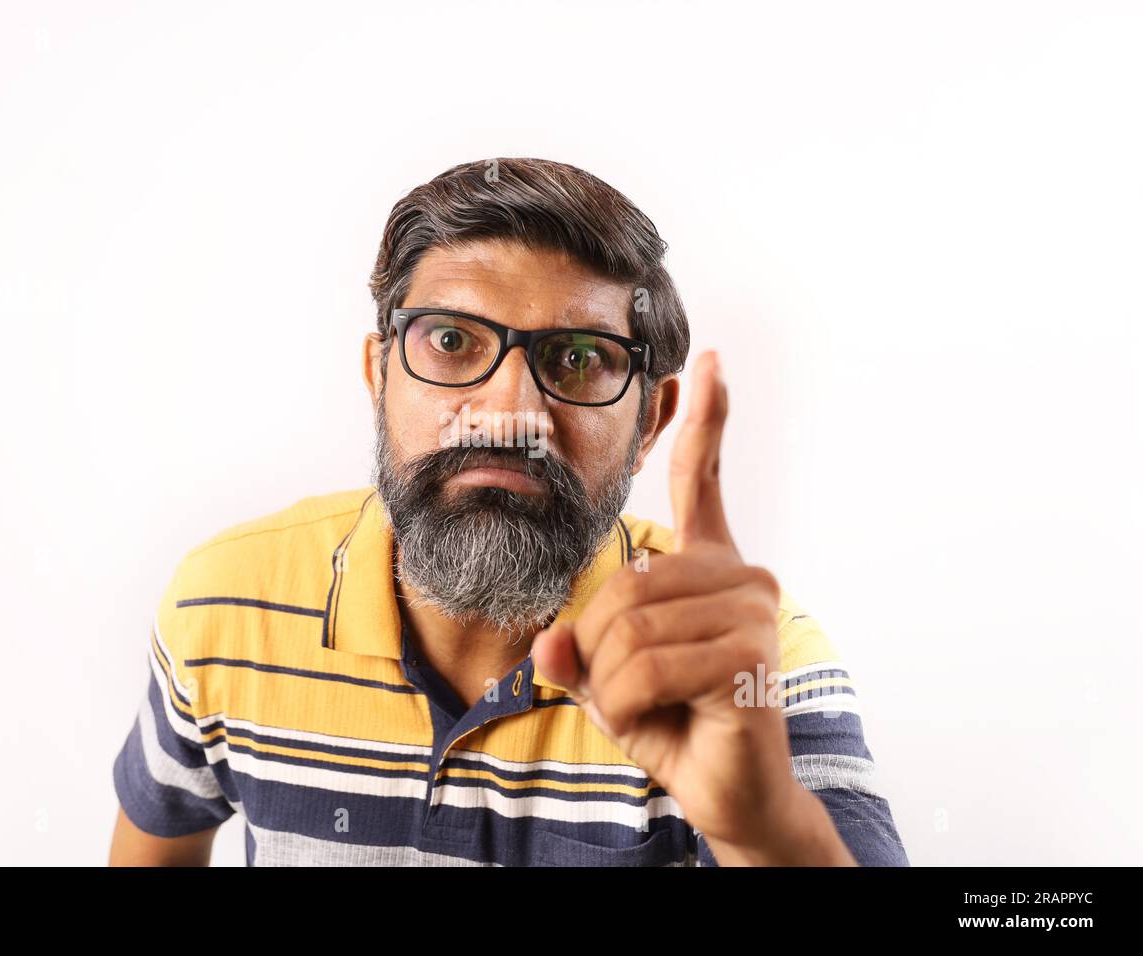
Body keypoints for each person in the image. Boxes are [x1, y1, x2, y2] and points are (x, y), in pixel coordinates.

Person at [108, 157, 909, 866]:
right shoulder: (222, 604)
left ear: (649, 424)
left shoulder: (744, 666)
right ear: (378, 375)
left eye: (580, 358)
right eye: (452, 341)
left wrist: (765, 835)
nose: (507, 409)